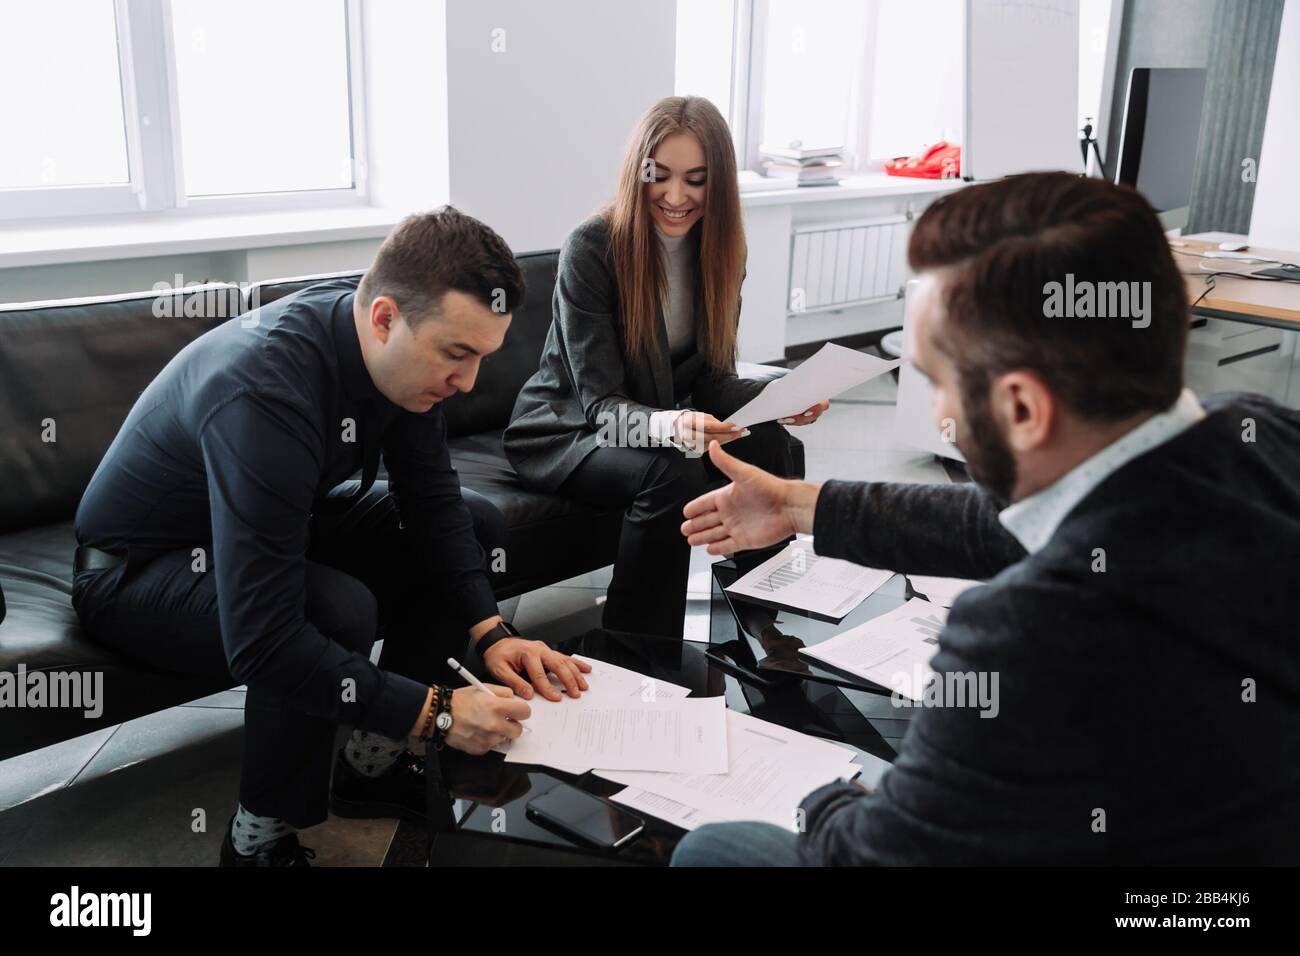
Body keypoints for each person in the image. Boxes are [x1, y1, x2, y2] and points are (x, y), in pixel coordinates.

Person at [672, 172, 1300, 865]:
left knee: (716, 847)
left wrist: (821, 793)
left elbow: (868, 856)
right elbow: (1027, 522)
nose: (940, 410)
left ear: (1023, 410)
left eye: (939, 381)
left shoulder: (1023, 639)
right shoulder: (1259, 432)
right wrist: (797, 505)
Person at [72, 207, 591, 867]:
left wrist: (493, 633)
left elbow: (431, 503)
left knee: (473, 517)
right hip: (137, 569)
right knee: (330, 610)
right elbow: (263, 641)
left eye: (480, 358)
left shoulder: (400, 368)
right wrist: (435, 712)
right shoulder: (264, 390)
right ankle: (259, 836)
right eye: (457, 355)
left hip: (262, 529)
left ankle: (370, 766)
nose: (469, 383)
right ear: (383, 319)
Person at [503, 96, 828, 639]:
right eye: (660, 175)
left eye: (697, 180)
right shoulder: (593, 247)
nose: (676, 197)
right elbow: (601, 407)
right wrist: (672, 426)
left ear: (718, 183)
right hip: (571, 429)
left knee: (767, 441)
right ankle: (638, 650)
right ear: (638, 173)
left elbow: (711, 378)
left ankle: (763, 621)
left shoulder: (723, 249)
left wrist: (783, 396)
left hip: (647, 420)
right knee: (671, 468)